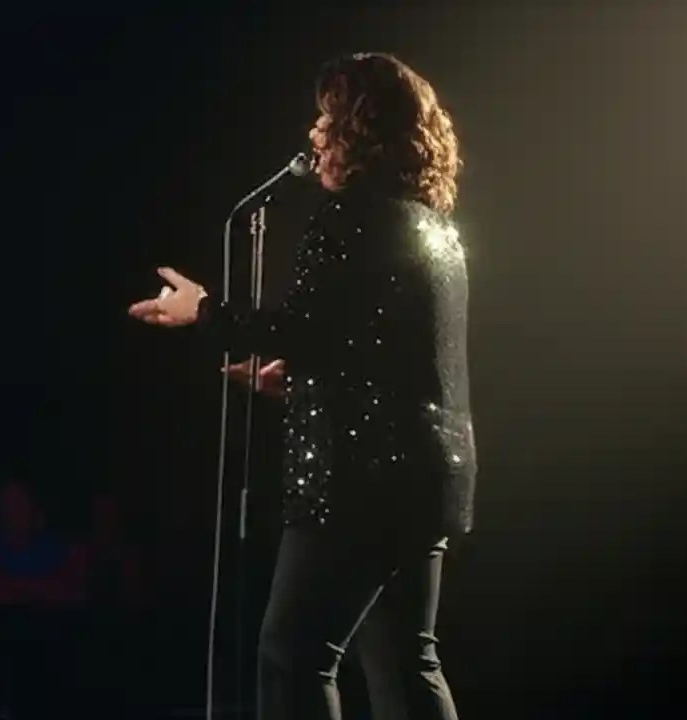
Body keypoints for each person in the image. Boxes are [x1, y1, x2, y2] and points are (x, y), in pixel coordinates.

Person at [128, 52, 474, 720]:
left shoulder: (350, 218)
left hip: (359, 481)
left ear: (359, 130)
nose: (314, 133)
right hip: (428, 479)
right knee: (406, 659)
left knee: (294, 655)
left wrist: (204, 311)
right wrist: (305, 379)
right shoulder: (436, 230)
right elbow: (386, 351)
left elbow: (304, 327)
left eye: (328, 118)